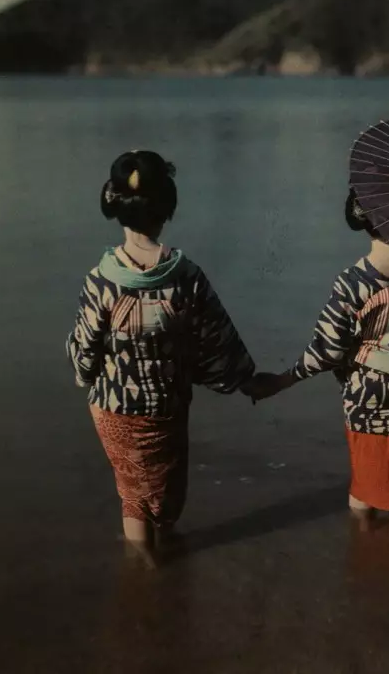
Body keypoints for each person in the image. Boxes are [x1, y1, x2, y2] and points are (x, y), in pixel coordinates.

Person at [66, 150, 256, 560]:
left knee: (133, 491)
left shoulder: (101, 280)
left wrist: (86, 372)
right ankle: (156, 568)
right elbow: (217, 340)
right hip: (167, 404)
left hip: (114, 406)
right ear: (167, 208)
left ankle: (143, 576)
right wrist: (242, 380)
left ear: (115, 207)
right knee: (164, 493)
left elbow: (84, 353)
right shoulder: (185, 276)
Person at [247, 189, 389, 545]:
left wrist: (284, 379)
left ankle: (362, 538)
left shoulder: (352, 282)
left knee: (365, 472)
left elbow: (327, 350)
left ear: (363, 222)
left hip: (363, 396)